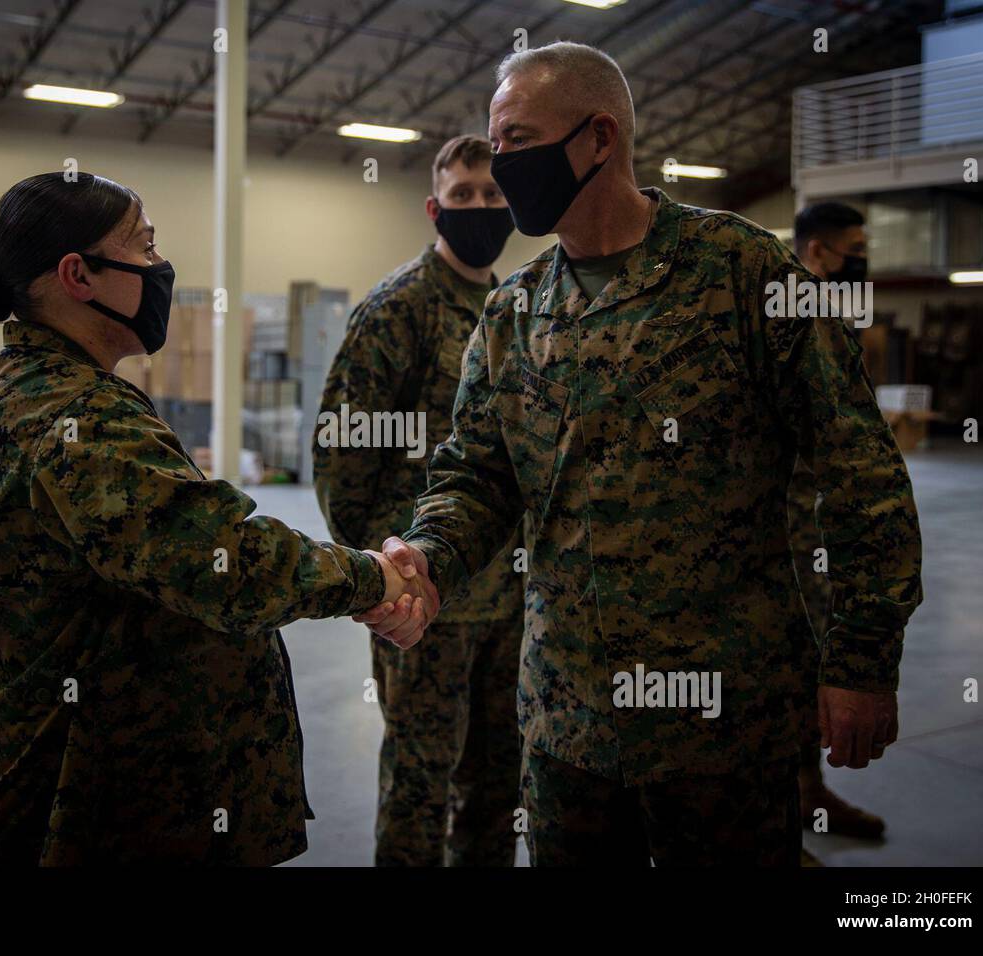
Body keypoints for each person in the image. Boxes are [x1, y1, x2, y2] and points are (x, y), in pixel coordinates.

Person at [361, 42, 922, 867]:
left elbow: (860, 472)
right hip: (566, 726)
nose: (504, 165)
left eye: (517, 141)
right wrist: (429, 557)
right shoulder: (514, 311)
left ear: (599, 139)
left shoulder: (742, 272)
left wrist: (863, 660)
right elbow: (477, 473)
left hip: (722, 728)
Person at [0, 171, 436, 866]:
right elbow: (228, 562)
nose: (158, 267)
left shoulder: (21, 391)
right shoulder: (76, 418)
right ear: (78, 274)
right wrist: (376, 579)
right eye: (143, 247)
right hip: (98, 809)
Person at [314, 135, 523, 866]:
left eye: (493, 194)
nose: (478, 207)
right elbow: (341, 462)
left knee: (502, 782)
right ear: (435, 207)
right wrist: (387, 580)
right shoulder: (397, 308)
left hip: (512, 595)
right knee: (420, 778)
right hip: (427, 600)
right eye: (462, 195)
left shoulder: (514, 307)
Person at [790, 201, 886, 841]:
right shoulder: (782, 316)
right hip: (779, 537)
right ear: (818, 252)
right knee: (781, 681)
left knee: (808, 676)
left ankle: (809, 800)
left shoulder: (829, 318)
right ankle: (779, 820)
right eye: (854, 247)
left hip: (818, 528)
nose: (863, 258)